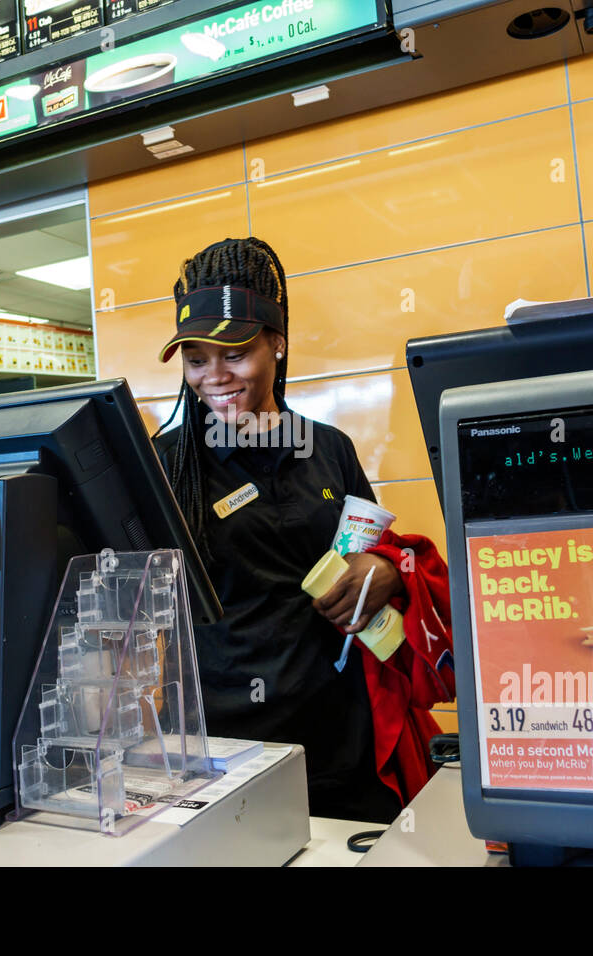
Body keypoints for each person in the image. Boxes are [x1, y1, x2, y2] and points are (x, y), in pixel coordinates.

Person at [151, 236, 408, 822]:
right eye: (196, 359)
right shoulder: (167, 467)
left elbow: (380, 552)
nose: (214, 376)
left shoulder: (328, 448)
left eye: (234, 353)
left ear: (278, 343)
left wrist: (385, 572)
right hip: (222, 753)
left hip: (339, 738)